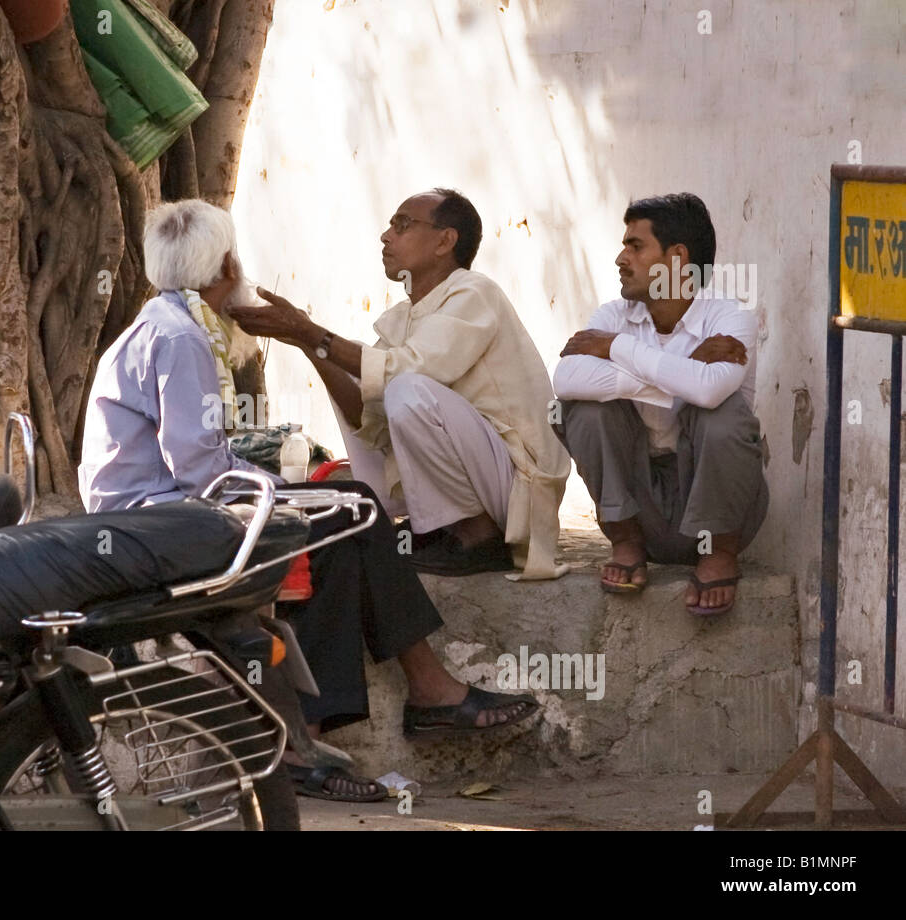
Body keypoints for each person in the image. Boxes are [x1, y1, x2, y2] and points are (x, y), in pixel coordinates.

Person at [79, 199, 537, 802]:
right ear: (225, 267)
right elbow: (199, 472)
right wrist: (281, 484)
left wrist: (304, 364)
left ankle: (309, 737)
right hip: (159, 524)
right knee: (350, 510)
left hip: (154, 513)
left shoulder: (165, 325)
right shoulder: (181, 337)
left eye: (405, 225)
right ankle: (424, 693)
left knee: (343, 516)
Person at [228, 188, 570, 579]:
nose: (386, 236)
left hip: (517, 485)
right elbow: (366, 411)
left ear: (445, 240)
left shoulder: (475, 292)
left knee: (406, 386)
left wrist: (312, 331)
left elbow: (406, 372)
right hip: (483, 474)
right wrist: (309, 343)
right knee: (363, 367)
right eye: (390, 225)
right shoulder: (402, 318)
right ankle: (437, 527)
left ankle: (477, 535)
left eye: (403, 225)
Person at [552, 193, 768, 615]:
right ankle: (625, 540)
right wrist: (683, 368)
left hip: (715, 503)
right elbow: (566, 378)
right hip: (641, 505)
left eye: (635, 246)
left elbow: (708, 393)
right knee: (583, 408)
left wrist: (616, 349)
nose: (620, 258)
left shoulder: (731, 319)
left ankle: (719, 551)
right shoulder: (614, 315)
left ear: (676, 258)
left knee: (722, 413)